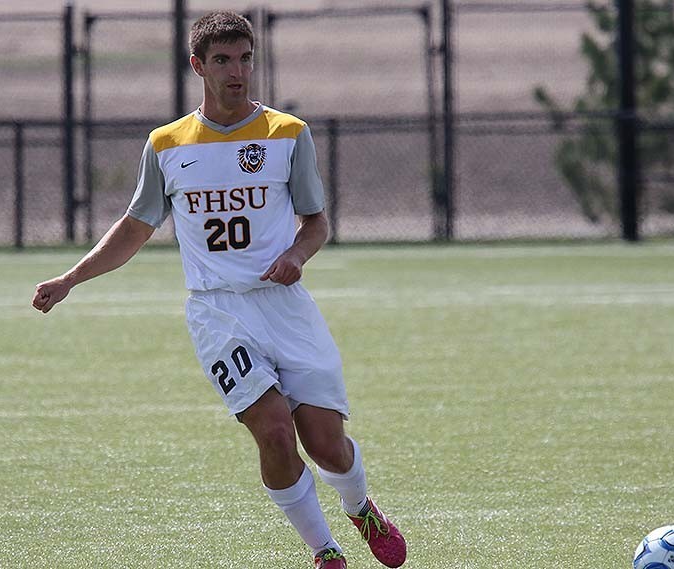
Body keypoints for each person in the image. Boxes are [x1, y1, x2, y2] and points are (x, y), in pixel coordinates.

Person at [31, 10, 406, 569]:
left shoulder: (287, 134)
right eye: (224, 60)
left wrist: (296, 256)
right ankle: (325, 551)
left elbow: (316, 223)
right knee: (274, 433)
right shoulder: (167, 145)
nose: (237, 71)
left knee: (326, 443)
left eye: (245, 58)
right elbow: (134, 228)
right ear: (198, 66)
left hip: (285, 307)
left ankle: (360, 508)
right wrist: (70, 279)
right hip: (219, 314)